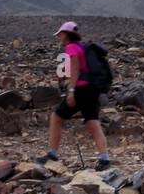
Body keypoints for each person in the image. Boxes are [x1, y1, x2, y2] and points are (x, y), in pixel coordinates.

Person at [37, 22, 111, 171]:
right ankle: (104, 159)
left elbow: (75, 68)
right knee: (93, 122)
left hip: (80, 89)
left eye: (60, 34)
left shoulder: (71, 47)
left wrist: (71, 91)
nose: (59, 37)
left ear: (66, 34)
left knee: (56, 118)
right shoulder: (82, 46)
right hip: (92, 88)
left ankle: (52, 153)